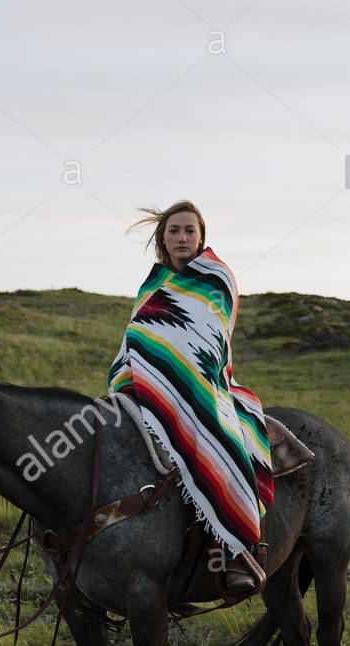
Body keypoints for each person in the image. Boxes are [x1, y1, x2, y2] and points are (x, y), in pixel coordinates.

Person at [107, 200, 273, 598]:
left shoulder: (217, 278)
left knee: (221, 435)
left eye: (189, 231)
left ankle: (237, 549)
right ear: (163, 239)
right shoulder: (153, 285)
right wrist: (134, 374)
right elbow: (139, 338)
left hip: (205, 382)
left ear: (201, 238)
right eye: (174, 231)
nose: (182, 238)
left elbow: (210, 342)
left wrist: (184, 380)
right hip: (148, 384)